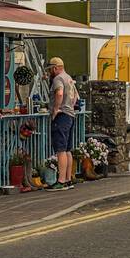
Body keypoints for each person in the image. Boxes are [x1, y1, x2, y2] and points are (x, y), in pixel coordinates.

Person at [46, 57, 78, 190]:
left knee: (60, 150)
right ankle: (69, 179)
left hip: (62, 116)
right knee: (67, 150)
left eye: (50, 70)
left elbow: (59, 93)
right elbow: (76, 97)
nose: (50, 73)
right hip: (70, 114)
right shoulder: (69, 78)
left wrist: (56, 109)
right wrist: (69, 105)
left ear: (55, 68)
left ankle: (61, 181)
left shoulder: (58, 79)